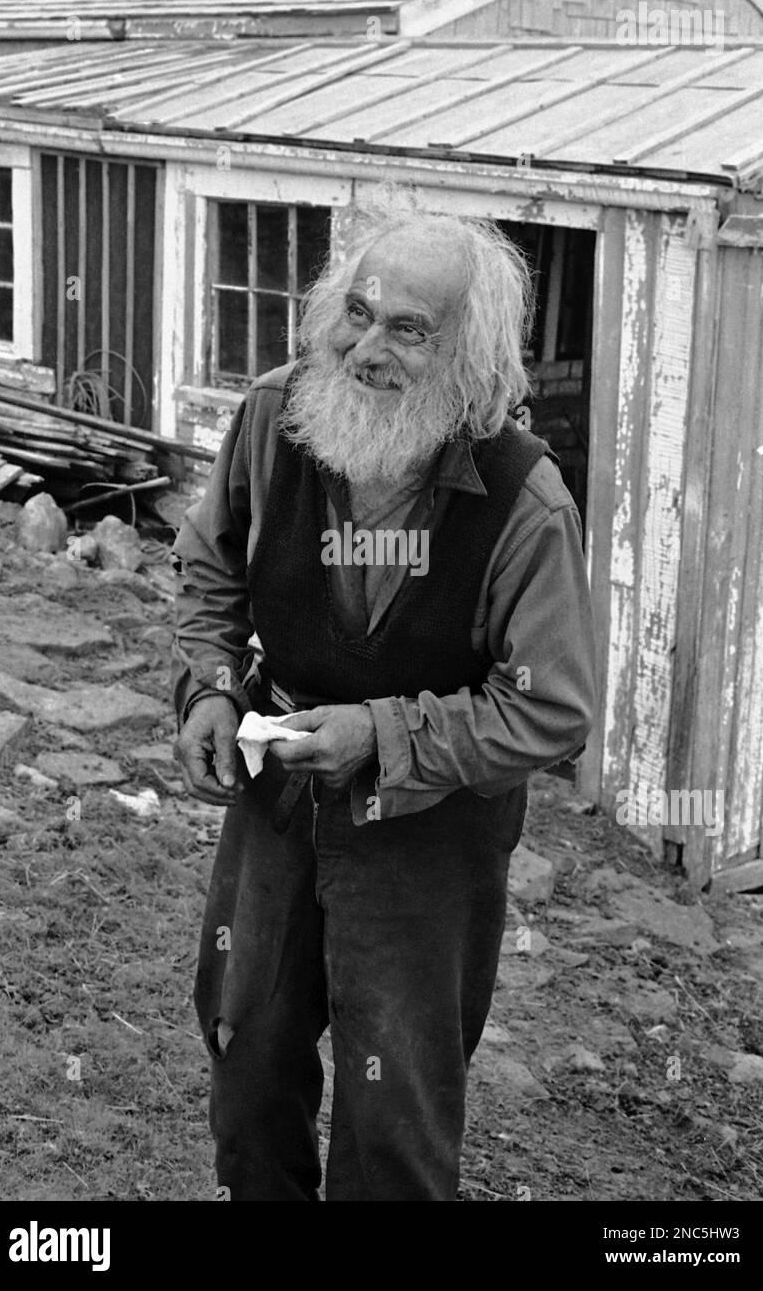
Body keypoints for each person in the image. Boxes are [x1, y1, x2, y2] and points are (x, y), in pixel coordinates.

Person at [171, 198, 597, 1202]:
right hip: (280, 794)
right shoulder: (277, 418)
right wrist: (210, 685)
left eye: (410, 329)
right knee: (250, 1055)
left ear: (471, 357)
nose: (368, 347)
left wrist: (384, 734)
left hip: (428, 830)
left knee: (393, 1115)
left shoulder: (524, 499)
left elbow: (551, 708)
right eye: (357, 314)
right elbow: (208, 566)